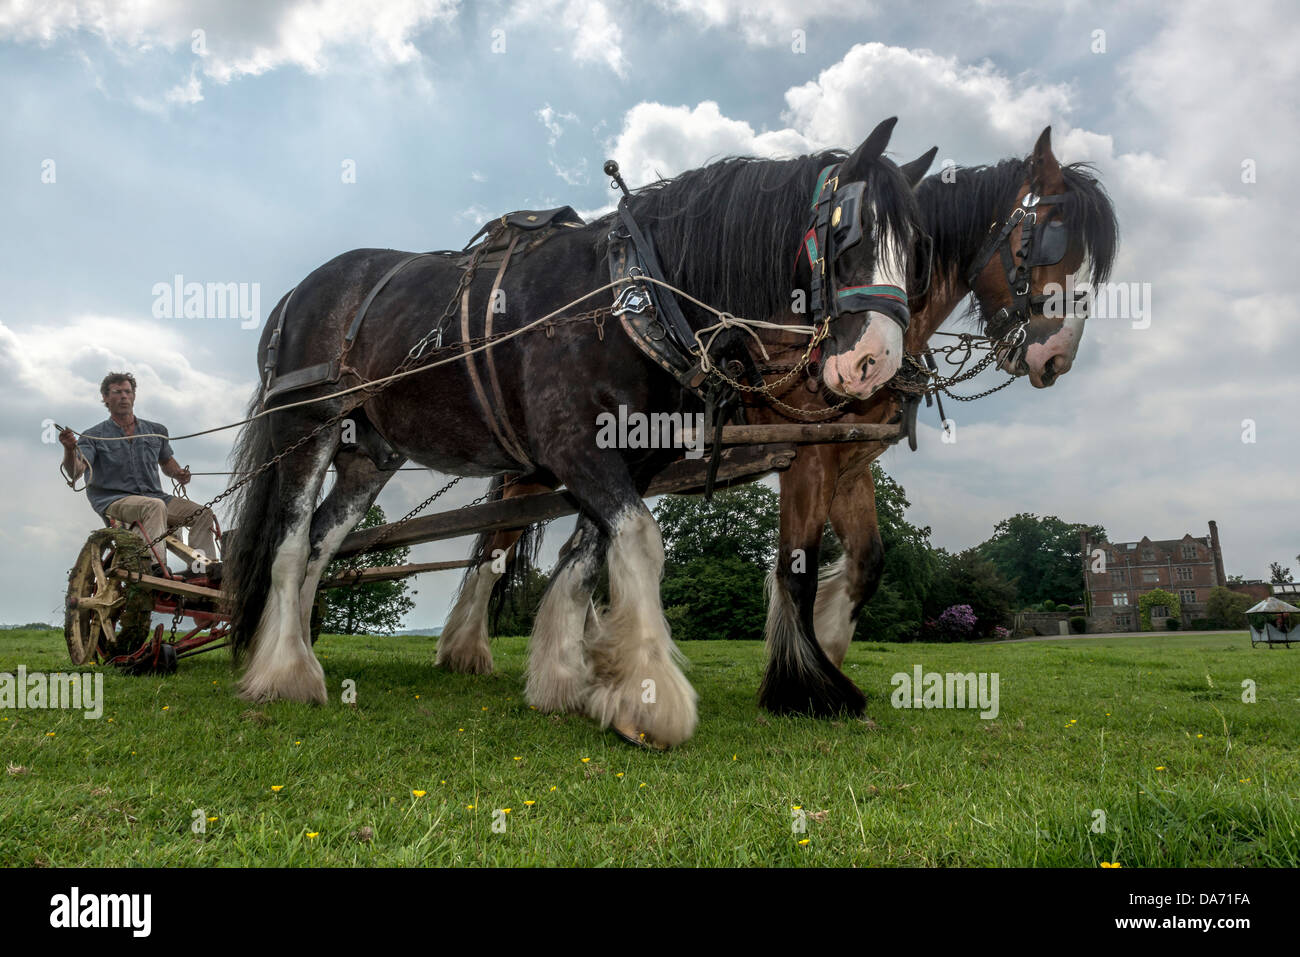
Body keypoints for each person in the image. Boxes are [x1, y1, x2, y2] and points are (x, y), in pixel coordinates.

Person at [59, 372, 218, 579]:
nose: (124, 396)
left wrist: (179, 474)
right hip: (114, 500)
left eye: (128, 391)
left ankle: (202, 570)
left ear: (134, 396)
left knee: (202, 513)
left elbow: (167, 464)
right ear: (106, 398)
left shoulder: (156, 431)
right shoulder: (93, 436)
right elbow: (75, 472)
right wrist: (70, 450)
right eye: (117, 392)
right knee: (154, 506)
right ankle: (153, 567)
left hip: (155, 496)